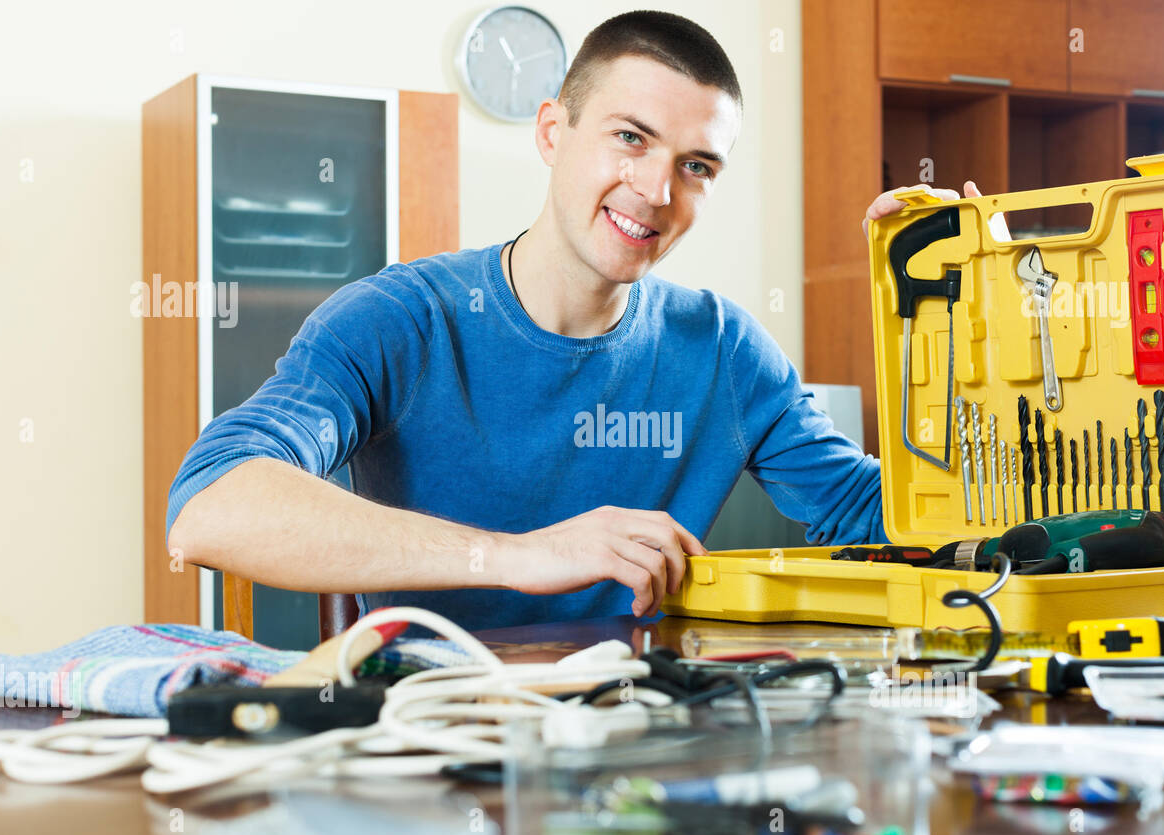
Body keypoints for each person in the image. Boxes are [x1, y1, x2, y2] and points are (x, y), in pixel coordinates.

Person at [166, 10, 974, 630]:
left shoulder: (722, 347)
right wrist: (520, 557)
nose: (657, 190)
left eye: (695, 167)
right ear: (555, 132)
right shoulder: (401, 320)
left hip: (641, 743)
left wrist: (962, 326)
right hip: (438, 747)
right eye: (630, 139)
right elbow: (210, 507)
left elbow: (892, 513)